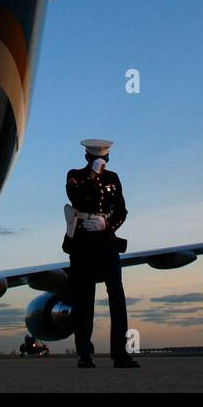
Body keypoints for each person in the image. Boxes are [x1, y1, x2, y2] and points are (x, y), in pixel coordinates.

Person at [63, 138, 139, 369]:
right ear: (88, 158)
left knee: (117, 296)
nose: (101, 161)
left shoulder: (113, 178)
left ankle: (120, 353)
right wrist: (92, 174)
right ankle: (84, 353)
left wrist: (107, 225)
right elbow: (76, 197)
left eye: (103, 158)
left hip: (106, 241)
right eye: (97, 159)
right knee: (84, 299)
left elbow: (122, 210)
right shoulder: (75, 175)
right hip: (82, 243)